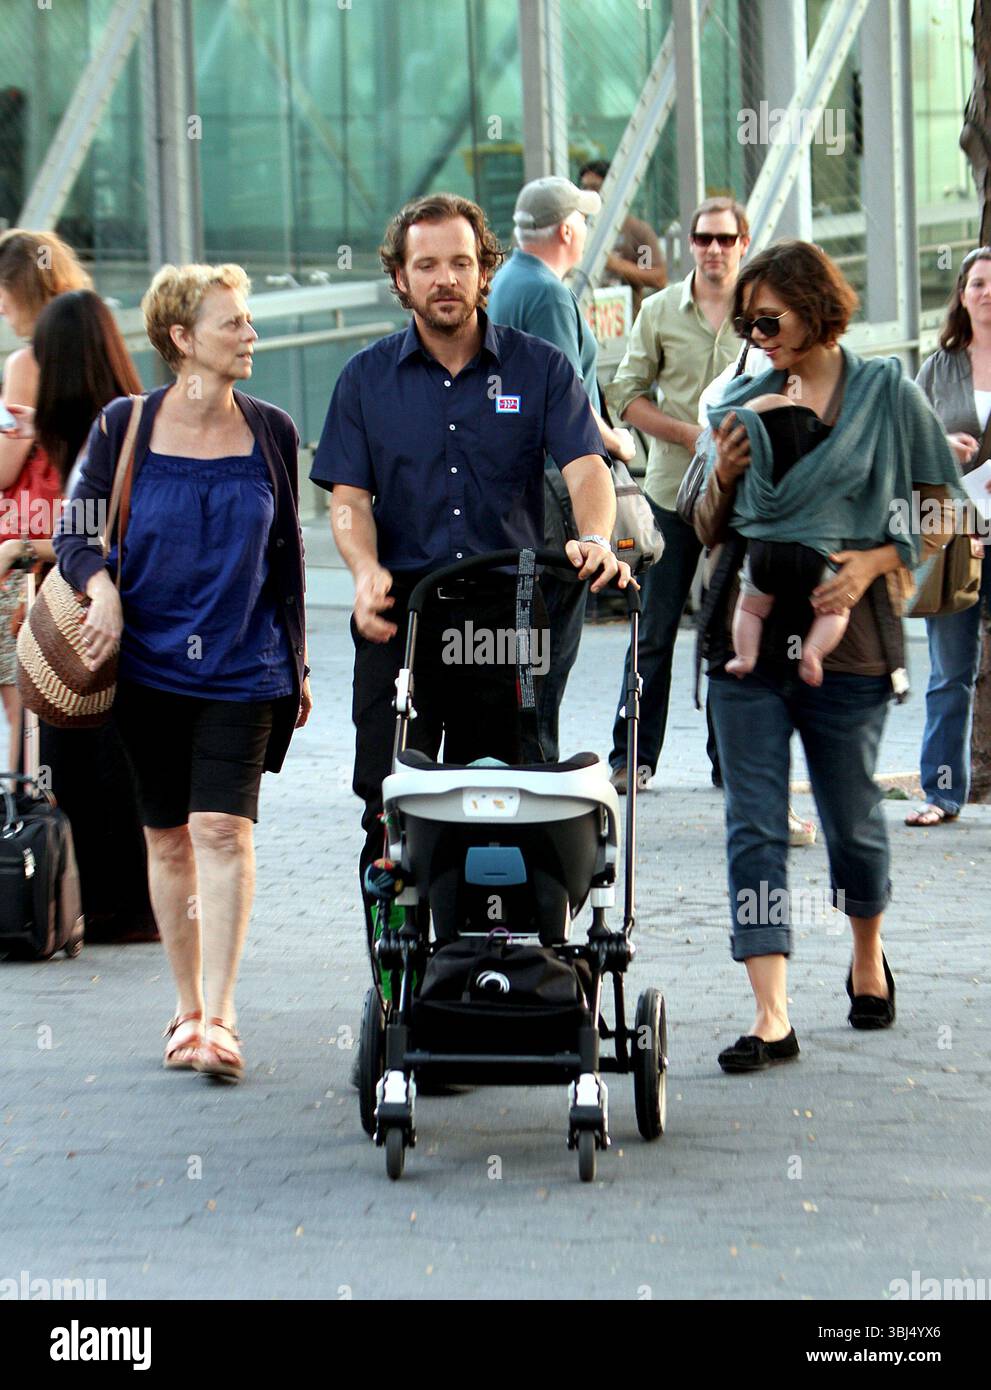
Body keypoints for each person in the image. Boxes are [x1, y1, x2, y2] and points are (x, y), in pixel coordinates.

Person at [309, 192, 630, 952]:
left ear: (485, 269)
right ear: (399, 278)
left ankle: (505, 969)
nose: (444, 279)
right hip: (402, 618)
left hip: (506, 620)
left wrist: (594, 537)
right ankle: (402, 987)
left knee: (508, 797)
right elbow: (349, 502)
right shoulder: (365, 379)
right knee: (390, 804)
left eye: (459, 262)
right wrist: (361, 572)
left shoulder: (539, 367)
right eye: (426, 266)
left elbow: (587, 467)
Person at [694, 240, 961, 1073]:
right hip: (745, 624)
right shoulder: (737, 399)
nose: (758, 335)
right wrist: (725, 481)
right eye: (747, 323)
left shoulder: (885, 391)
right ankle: (771, 1014)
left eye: (768, 318)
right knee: (752, 822)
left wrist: (877, 563)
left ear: (817, 308)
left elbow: (945, 510)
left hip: (847, 640)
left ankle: (865, 955)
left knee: (849, 821)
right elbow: (701, 526)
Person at [54, 263, 312, 1081]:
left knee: (221, 830)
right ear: (181, 339)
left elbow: (289, 557)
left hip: (246, 665)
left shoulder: (271, 430)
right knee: (167, 839)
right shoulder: (124, 426)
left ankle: (223, 1014)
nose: (250, 335)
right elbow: (75, 534)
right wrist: (102, 592)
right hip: (147, 669)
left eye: (247, 320)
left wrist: (297, 662)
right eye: (231, 322)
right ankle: (186, 1010)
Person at [1, 289, 158, 942]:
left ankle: (95, 902)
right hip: (142, 616)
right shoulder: (142, 417)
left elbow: (89, 531)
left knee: (78, 746)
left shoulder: (96, 431)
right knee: (125, 763)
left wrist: (25, 547)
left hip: (89, 616)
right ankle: (130, 905)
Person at [488, 175, 637, 760]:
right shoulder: (547, 293)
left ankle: (527, 750)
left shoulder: (507, 282)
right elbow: (564, 393)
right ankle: (538, 758)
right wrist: (616, 439)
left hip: (527, 481)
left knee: (532, 632)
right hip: (558, 487)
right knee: (555, 634)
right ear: (568, 230)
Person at [604, 196, 747, 792]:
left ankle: (730, 761)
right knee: (654, 628)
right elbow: (626, 398)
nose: (713, 250)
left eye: (724, 239)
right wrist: (689, 434)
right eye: (702, 239)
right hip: (670, 492)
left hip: (742, 495)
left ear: (743, 243)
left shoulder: (761, 312)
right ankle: (632, 756)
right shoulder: (661, 310)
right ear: (690, 244)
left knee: (734, 631)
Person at [0, 228, 92, 773]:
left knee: (20, 704)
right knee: (63, 700)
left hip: (22, 545)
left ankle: (23, 823)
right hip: (73, 546)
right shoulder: (88, 350)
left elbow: (6, 467)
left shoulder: (25, 363)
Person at [905, 247, 991, 827]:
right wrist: (942, 447)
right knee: (950, 672)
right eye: (978, 283)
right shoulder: (938, 366)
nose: (987, 292)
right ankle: (941, 793)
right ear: (962, 294)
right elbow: (903, 438)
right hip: (954, 538)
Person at [577, 160, 667, 317]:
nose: (590, 194)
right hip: (584, 318)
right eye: (585, 188)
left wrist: (615, 264)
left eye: (596, 188)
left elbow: (658, 278)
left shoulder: (637, 230)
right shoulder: (576, 228)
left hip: (622, 322)